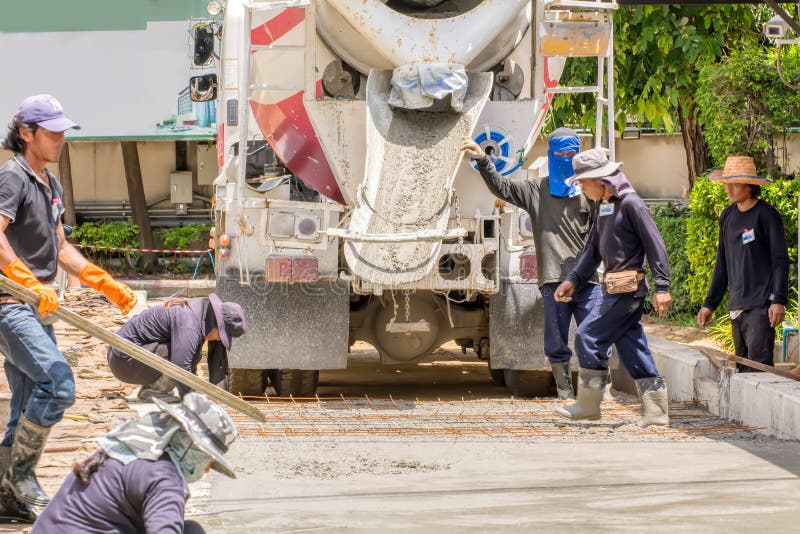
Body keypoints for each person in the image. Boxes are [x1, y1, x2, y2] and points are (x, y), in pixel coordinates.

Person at [0, 94, 137, 521]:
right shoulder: (13, 177)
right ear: (27, 134)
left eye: (63, 131)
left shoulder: (50, 184)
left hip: (40, 305)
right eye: (52, 132)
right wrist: (24, 280)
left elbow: (60, 247)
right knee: (58, 385)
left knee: (23, 407)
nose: (60, 138)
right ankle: (20, 475)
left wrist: (105, 283)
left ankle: (7, 494)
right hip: (12, 303)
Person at [460, 129, 601, 399]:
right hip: (553, 279)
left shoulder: (588, 192)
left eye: (571, 154)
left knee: (593, 336)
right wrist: (482, 160)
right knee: (556, 343)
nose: (566, 159)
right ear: (550, 155)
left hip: (588, 280)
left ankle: (591, 398)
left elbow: (605, 231)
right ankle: (566, 394)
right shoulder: (537, 190)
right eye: (560, 154)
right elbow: (503, 187)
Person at [553, 148, 672, 427]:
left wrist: (662, 287)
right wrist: (572, 280)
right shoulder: (603, 207)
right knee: (633, 348)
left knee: (587, 336)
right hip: (613, 290)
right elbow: (591, 251)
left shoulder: (631, 204)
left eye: (584, 182)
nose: (581, 187)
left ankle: (588, 405)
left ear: (602, 180)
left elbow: (656, 246)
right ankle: (656, 414)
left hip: (628, 291)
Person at [31, 392, 237, 533]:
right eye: (208, 459)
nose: (208, 469)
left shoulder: (127, 448)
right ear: (190, 446)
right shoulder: (164, 479)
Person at [696, 156, 789, 372]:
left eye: (734, 183)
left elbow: (780, 259)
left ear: (750, 186)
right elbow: (723, 262)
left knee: (759, 369)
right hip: (736, 304)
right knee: (742, 367)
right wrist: (710, 304)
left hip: (761, 305)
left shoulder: (767, 215)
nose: (728, 189)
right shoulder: (727, 216)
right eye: (726, 183)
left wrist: (778, 300)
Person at [108, 293, 246, 400]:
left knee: (187, 351)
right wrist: (190, 398)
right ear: (216, 325)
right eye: (221, 335)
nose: (218, 340)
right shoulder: (189, 324)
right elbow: (181, 365)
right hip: (124, 360)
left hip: (121, 355)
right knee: (184, 354)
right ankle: (155, 391)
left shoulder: (194, 312)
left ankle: (154, 387)